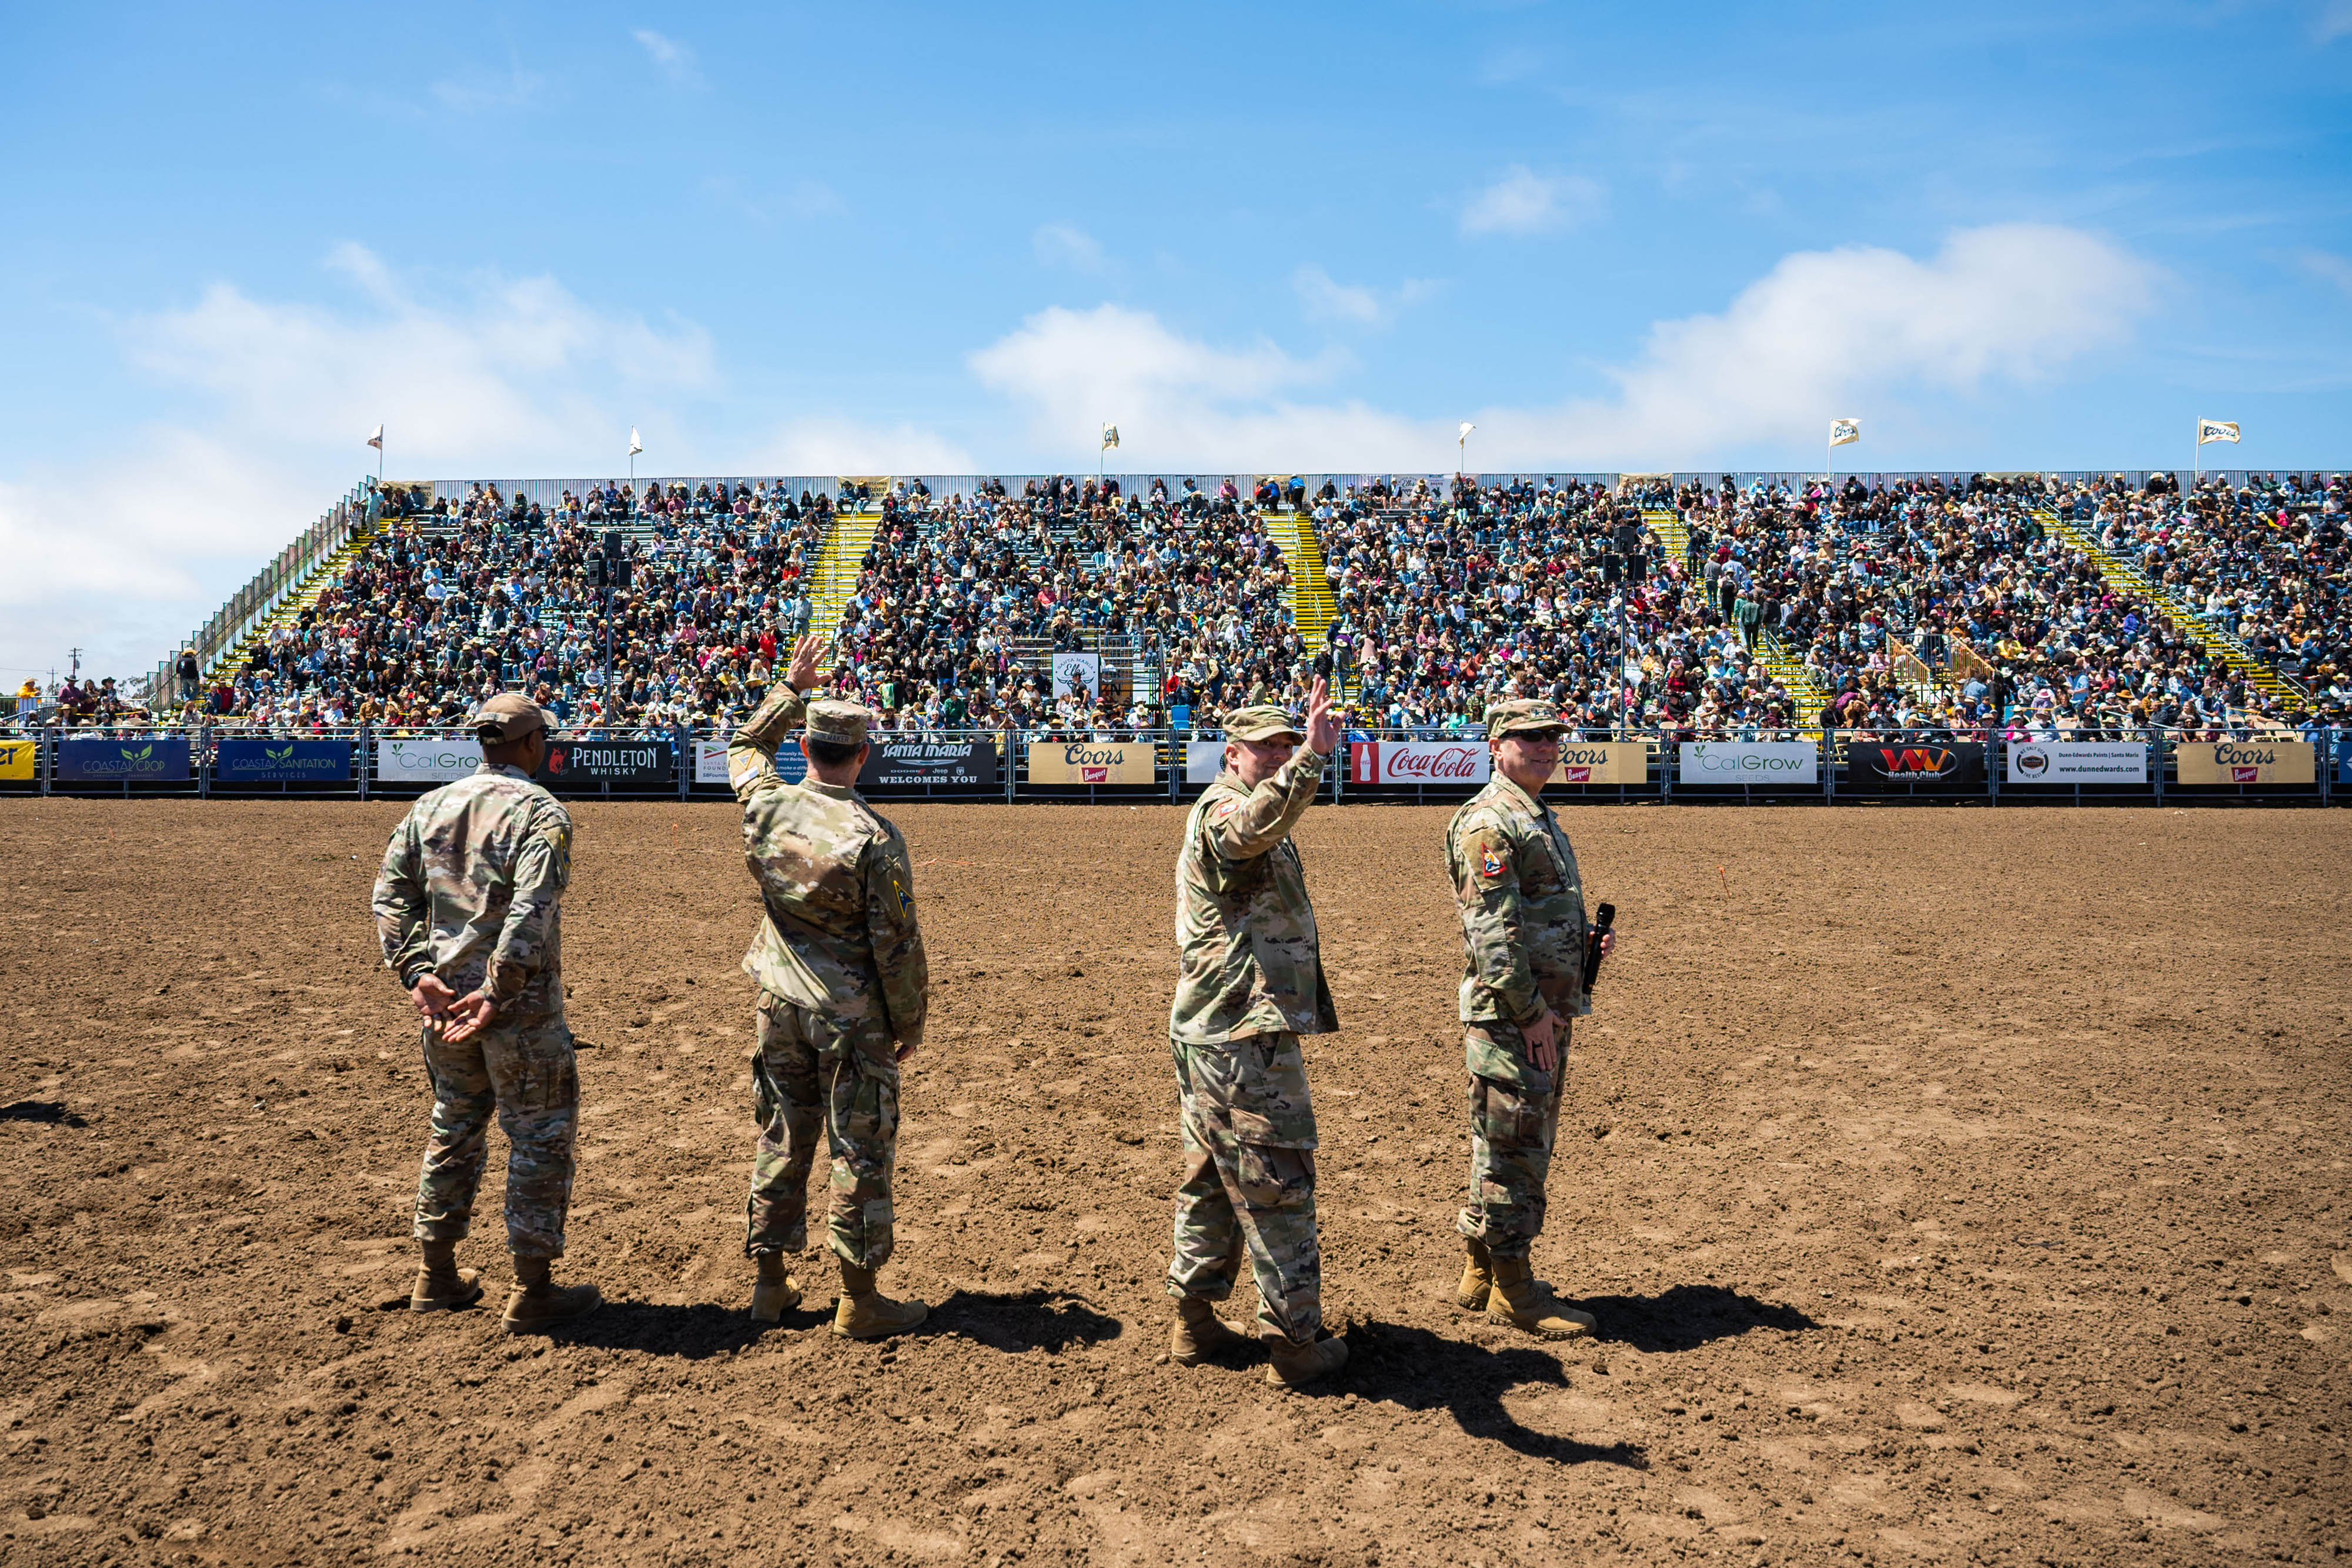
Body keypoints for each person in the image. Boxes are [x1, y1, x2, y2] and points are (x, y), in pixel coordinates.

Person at [372, 693, 600, 1333]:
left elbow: (391, 897)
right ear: (533, 746)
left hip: (445, 1004)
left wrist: (417, 974)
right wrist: (499, 989)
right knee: (539, 1138)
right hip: (516, 1009)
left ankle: (435, 1273)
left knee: (454, 1126)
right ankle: (533, 1290)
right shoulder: (542, 813)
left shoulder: (431, 806)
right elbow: (533, 907)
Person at [728, 633, 931, 1339]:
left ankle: (769, 1283)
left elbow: (743, 751)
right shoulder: (873, 835)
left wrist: (789, 689)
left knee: (783, 1135)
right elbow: (896, 945)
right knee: (859, 1149)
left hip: (778, 1000)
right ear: (862, 754)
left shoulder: (766, 805)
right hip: (850, 1015)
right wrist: (910, 1024)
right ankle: (860, 1296)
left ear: (807, 748)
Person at [1165, 678, 1349, 1388]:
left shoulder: (1244, 807)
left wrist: (1297, 763)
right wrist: (1309, 758)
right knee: (1277, 1180)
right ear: (1232, 753)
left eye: (1284, 743)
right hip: (1241, 1031)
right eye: (1266, 747)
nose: (1278, 756)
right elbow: (1250, 832)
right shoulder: (1223, 812)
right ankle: (1296, 1343)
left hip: (1222, 1027)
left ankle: (1195, 1319)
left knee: (1213, 1176)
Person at [1444, 697, 1616, 1339]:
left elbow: (1532, 913)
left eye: (1551, 738)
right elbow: (1492, 936)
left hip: (1534, 1009)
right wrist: (1532, 1013)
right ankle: (1514, 1292)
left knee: (1500, 1140)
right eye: (1528, 738)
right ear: (1496, 744)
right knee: (1518, 1147)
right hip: (1517, 1016)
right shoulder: (1492, 821)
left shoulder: (1531, 813)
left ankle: (1481, 1270)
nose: (1545, 747)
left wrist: (1579, 940)